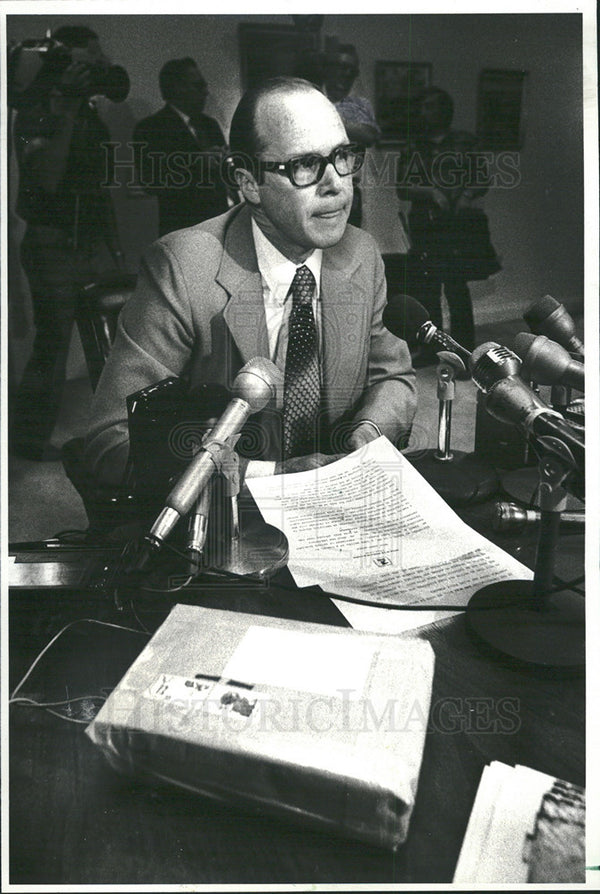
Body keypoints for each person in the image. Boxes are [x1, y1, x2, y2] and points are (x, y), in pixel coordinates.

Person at [84, 77, 416, 488]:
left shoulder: (360, 253)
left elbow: (392, 378)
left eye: (343, 156)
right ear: (248, 184)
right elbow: (111, 441)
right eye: (305, 165)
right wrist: (269, 475)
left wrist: (364, 437)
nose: (337, 184)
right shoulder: (183, 268)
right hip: (227, 521)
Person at [9, 25, 124, 461]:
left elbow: (98, 187)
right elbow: (49, 179)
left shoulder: (90, 113)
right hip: (51, 242)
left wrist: (115, 249)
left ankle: (111, 435)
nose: (95, 70)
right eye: (86, 62)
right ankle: (28, 441)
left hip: (90, 240)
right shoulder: (35, 111)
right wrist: (69, 109)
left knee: (110, 341)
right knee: (53, 345)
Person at [397, 86, 500, 359]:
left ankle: (464, 351)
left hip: (459, 227)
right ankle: (432, 348)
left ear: (446, 111)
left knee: (457, 289)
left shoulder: (466, 141)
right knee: (427, 287)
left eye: (431, 106)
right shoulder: (413, 146)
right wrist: (430, 192)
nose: (424, 112)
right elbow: (402, 187)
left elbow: (482, 178)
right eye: (422, 107)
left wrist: (466, 195)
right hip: (426, 225)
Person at [133, 57, 231, 237]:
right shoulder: (151, 128)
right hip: (181, 229)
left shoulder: (210, 125)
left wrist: (228, 161)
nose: (206, 92)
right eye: (199, 86)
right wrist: (196, 162)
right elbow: (150, 181)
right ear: (177, 88)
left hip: (218, 228)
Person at [321, 44, 381, 227]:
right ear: (327, 68)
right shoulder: (309, 96)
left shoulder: (359, 105)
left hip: (348, 190)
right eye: (341, 67)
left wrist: (325, 118)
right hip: (313, 188)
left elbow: (369, 135)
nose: (346, 74)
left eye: (351, 70)